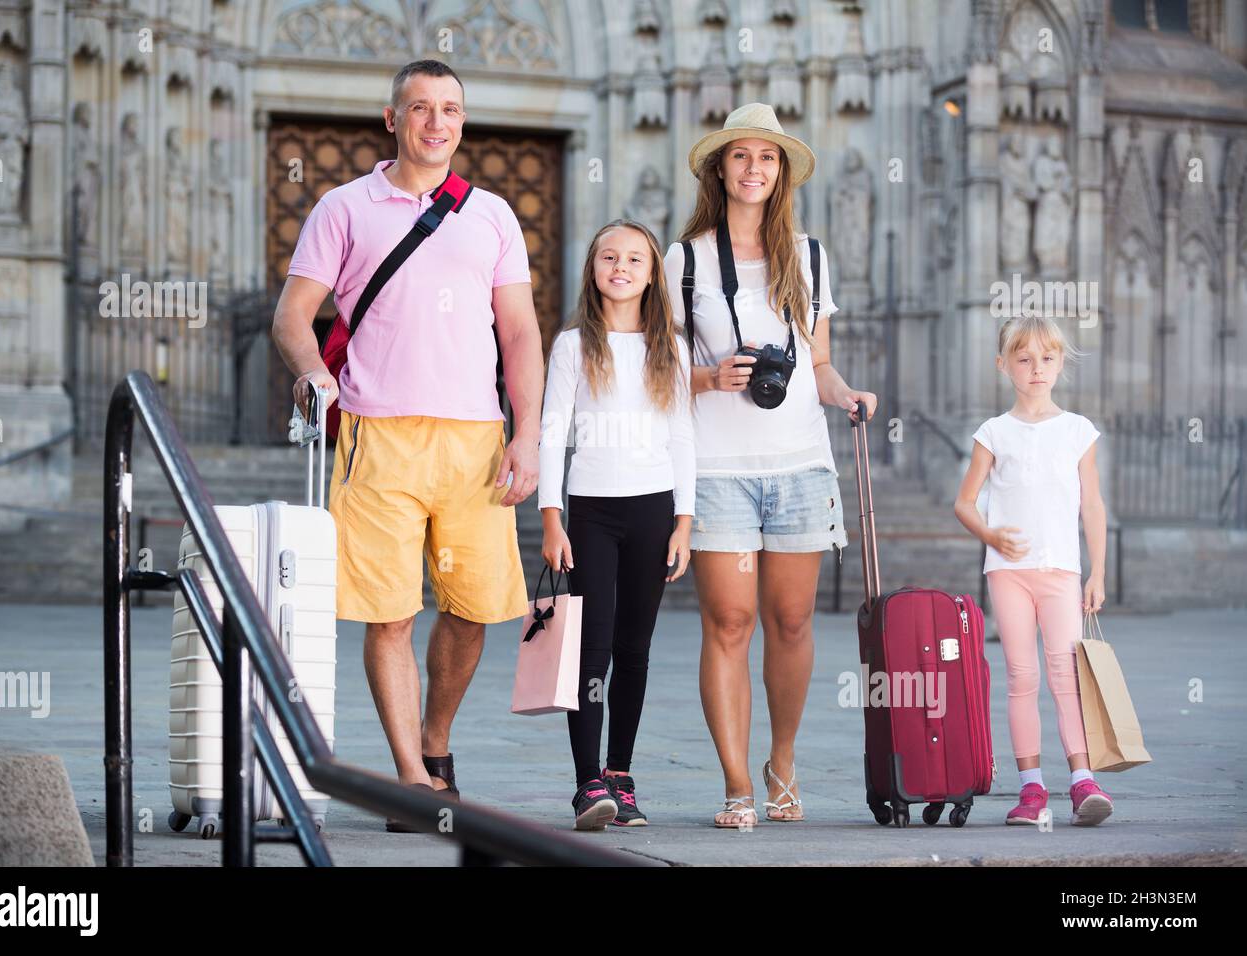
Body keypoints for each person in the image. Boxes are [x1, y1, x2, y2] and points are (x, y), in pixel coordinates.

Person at [270, 60, 543, 830]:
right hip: (376, 437)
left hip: (476, 442)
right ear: (392, 118)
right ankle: (412, 779)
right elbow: (294, 317)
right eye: (420, 108)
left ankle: (436, 740)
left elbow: (519, 331)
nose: (436, 122)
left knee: (474, 607)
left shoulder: (491, 214)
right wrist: (313, 375)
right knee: (389, 615)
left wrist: (529, 431)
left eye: (450, 109)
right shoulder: (344, 206)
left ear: (462, 121)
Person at [663, 104, 877, 828]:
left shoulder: (810, 256)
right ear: (719, 169)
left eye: (768, 157)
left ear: (781, 171)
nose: (755, 168)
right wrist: (707, 378)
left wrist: (848, 393)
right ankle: (735, 784)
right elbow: (657, 368)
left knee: (790, 621)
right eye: (741, 155)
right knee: (729, 620)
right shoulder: (684, 259)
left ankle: (781, 761)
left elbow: (817, 364)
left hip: (799, 466)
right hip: (718, 469)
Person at [539, 219, 694, 830]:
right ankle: (587, 783)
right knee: (590, 649)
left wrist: (684, 519)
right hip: (593, 513)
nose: (621, 267)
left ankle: (622, 774)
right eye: (609, 256)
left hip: (653, 509)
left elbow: (682, 432)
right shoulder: (574, 345)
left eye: (635, 258)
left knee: (635, 649)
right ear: (594, 269)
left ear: (653, 273)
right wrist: (553, 519)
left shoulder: (671, 349)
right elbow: (553, 434)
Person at [954, 314, 1114, 827]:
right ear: (1004, 366)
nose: (1036, 368)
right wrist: (991, 536)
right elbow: (964, 503)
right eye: (1023, 359)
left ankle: (1083, 780)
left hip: (1062, 572)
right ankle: (1030, 788)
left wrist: (1098, 573)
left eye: (1046, 358)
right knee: (1021, 677)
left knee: (1066, 675)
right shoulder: (994, 433)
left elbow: (1093, 505)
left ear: (1061, 363)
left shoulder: (1077, 431)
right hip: (1009, 574)